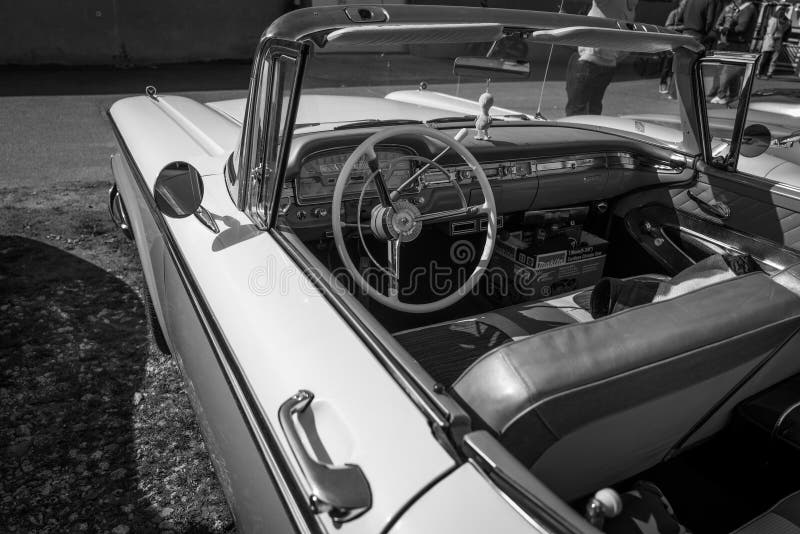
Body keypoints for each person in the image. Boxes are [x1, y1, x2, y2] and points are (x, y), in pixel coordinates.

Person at [565, 0, 638, 116]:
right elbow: (627, 47)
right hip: (608, 65)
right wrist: (613, 56)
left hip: (588, 62)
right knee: (593, 110)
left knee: (576, 112)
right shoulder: (631, 9)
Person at [710, 0, 757, 104]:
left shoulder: (748, 8)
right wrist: (722, 28)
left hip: (738, 44)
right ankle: (733, 95)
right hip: (728, 42)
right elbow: (718, 24)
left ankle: (721, 96)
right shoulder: (733, 7)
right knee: (732, 71)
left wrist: (725, 29)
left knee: (728, 70)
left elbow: (741, 28)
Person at [659, 0, 688, 94]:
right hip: (671, 43)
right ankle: (663, 84)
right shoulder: (674, 13)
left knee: (674, 66)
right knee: (667, 65)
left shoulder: (686, 15)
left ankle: (672, 88)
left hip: (680, 44)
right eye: (684, 4)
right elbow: (667, 27)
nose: (686, 6)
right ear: (680, 4)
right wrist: (683, 27)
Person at [758, 6, 792, 79]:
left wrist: (784, 39)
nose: (782, 13)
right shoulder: (774, 19)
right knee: (766, 57)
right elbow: (768, 29)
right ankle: (761, 72)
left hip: (775, 40)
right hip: (771, 39)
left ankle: (767, 73)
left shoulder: (786, 21)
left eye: (784, 11)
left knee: (772, 58)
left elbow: (786, 32)